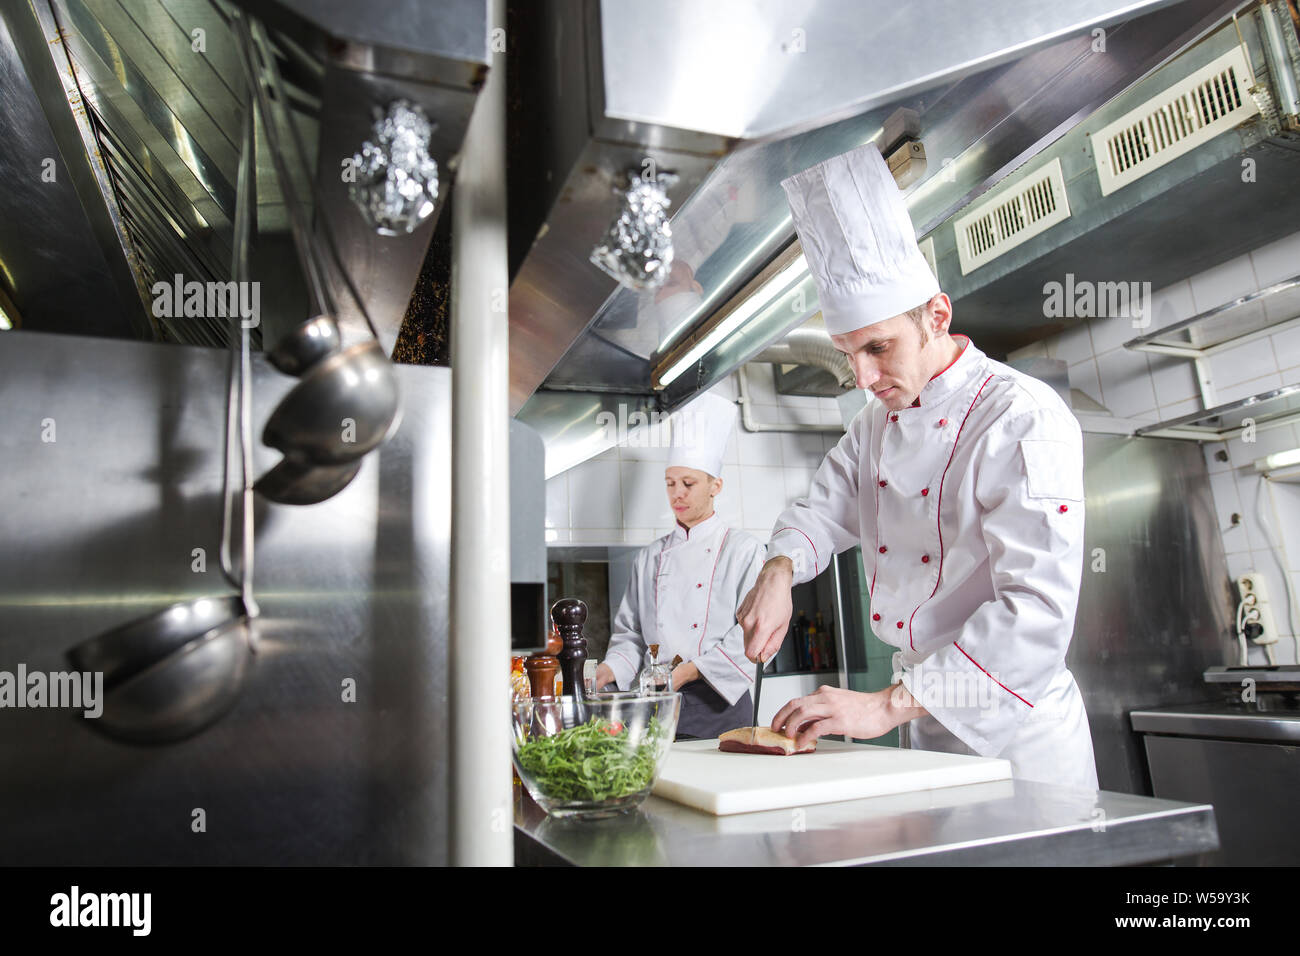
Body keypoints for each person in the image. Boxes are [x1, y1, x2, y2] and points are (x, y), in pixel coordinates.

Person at [737, 143, 1098, 790]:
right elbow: (822, 512)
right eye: (849, 354)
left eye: (878, 347)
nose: (864, 378)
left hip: (1020, 741)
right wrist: (778, 571)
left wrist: (882, 706)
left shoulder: (1020, 417)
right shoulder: (874, 424)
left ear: (937, 316)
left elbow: (1035, 611)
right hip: (925, 727)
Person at [594, 393, 766, 739]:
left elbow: (752, 634)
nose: (678, 495)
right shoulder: (649, 558)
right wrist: (608, 669)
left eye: (689, 484)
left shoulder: (743, 550)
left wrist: (688, 672)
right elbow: (630, 635)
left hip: (720, 705)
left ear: (715, 486)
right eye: (671, 484)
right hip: (657, 706)